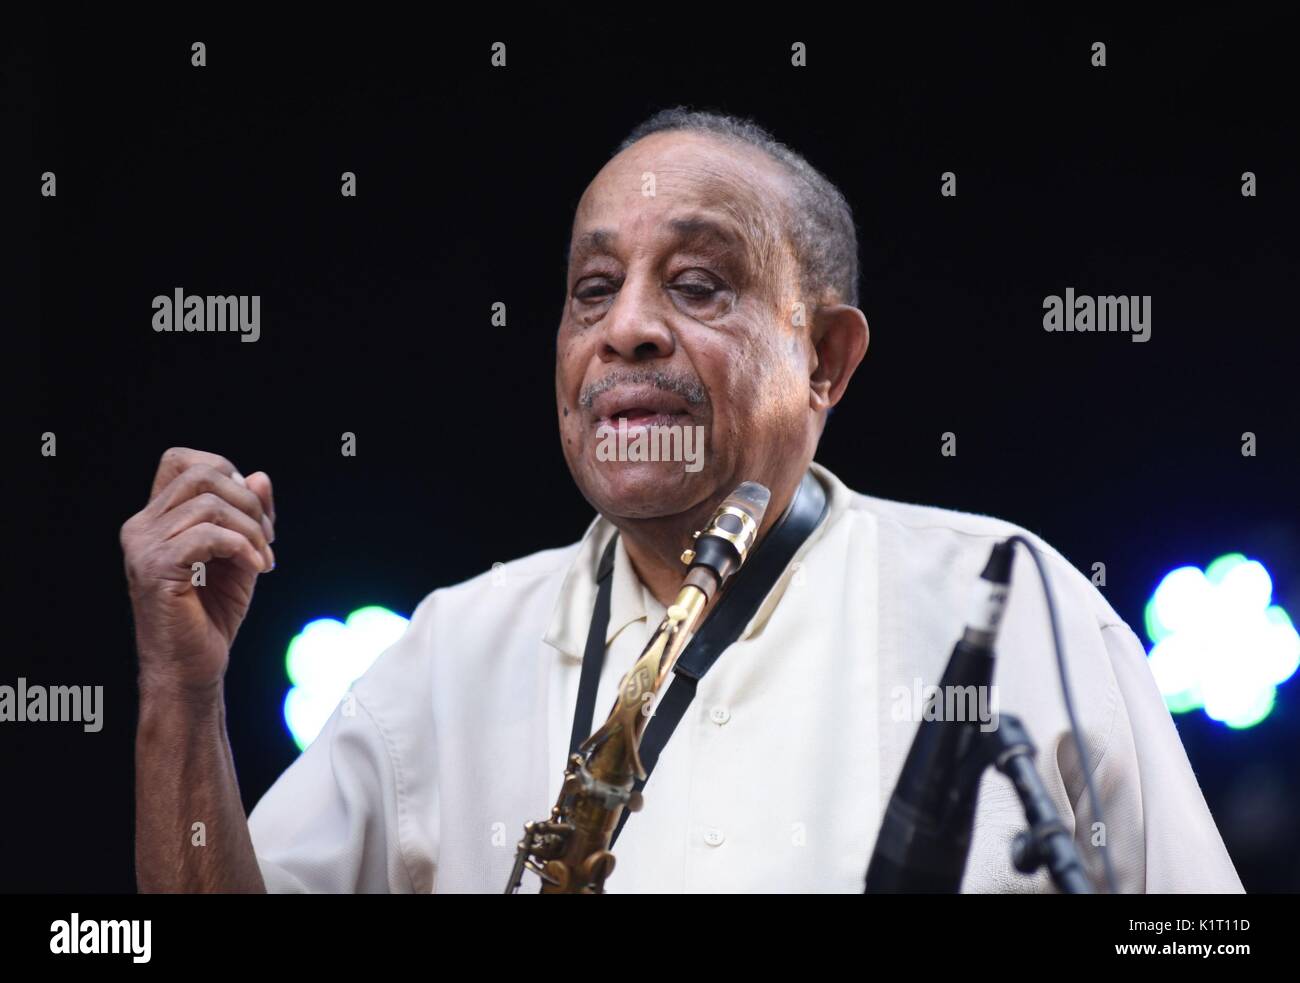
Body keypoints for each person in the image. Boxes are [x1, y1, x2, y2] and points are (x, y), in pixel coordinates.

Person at [123, 108, 1242, 893]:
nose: (626, 328)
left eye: (697, 284)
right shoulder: (447, 650)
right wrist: (182, 689)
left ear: (827, 360)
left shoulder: (1012, 602)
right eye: (592, 290)